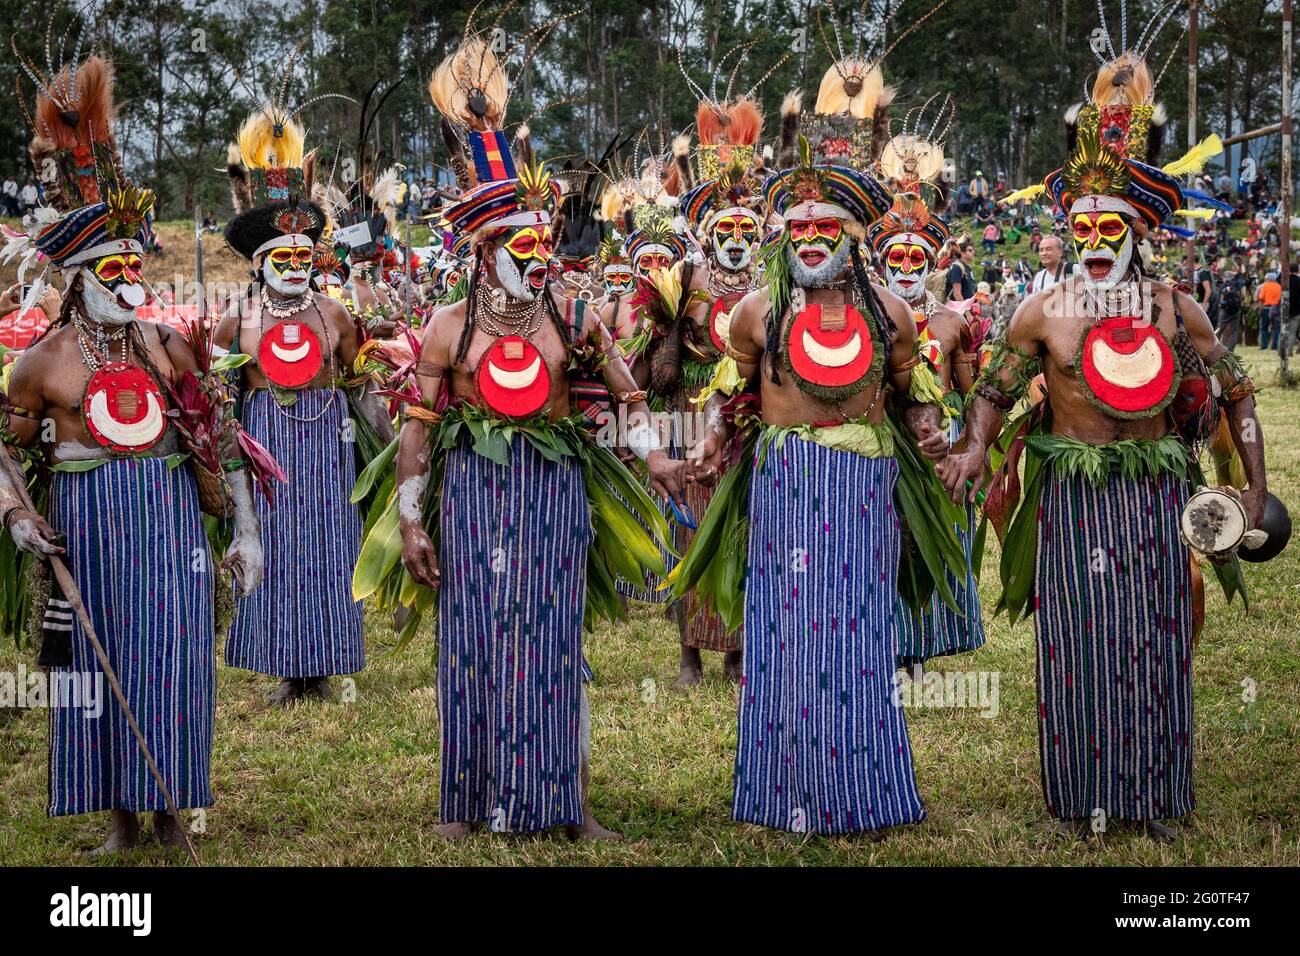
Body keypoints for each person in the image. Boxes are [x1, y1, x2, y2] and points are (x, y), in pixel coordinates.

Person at [939, 26, 1266, 841]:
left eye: (1106, 230)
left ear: (1138, 231)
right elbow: (995, 390)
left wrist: (1255, 488)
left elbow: (1234, 391)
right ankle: (1079, 796)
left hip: (1152, 493)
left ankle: (1154, 797)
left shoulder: (1172, 307)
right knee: (1077, 639)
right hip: (1073, 494)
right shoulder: (1041, 310)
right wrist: (977, 444)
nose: (1089, 244)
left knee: (1153, 639)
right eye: (1078, 231)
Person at [391, 36, 685, 840]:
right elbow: (418, 432)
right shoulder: (448, 328)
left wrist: (655, 450)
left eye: (545, 241)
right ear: (486, 248)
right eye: (525, 244)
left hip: (554, 495)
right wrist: (413, 519)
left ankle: (571, 803)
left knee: (553, 640)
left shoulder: (574, 316)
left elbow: (627, 396)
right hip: (476, 496)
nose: (543, 254)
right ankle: (464, 802)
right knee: (474, 640)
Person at [0, 51, 264, 854]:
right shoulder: (40, 364)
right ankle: (119, 819)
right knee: (98, 661)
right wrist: (16, 515)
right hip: (88, 522)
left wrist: (246, 530)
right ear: (76, 275)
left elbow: (219, 437)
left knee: (176, 660)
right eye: (113, 265)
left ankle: (174, 813)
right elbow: (5, 453)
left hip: (169, 520)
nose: (132, 276)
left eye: (135, 260)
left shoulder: (165, 346)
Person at [681, 92, 956, 836]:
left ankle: (864, 789)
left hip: (866, 486)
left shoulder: (890, 314)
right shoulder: (754, 313)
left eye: (823, 227)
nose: (807, 237)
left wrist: (932, 433)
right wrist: (711, 440)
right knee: (785, 634)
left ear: (853, 234)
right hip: (783, 488)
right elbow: (727, 392)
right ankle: (780, 790)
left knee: (860, 634)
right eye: (797, 226)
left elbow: (913, 395)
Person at [216, 93, 392, 705]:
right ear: (260, 264)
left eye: (302, 255)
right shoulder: (235, 321)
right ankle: (283, 666)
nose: (294, 265)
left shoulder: (337, 314)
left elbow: (362, 384)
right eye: (281, 257)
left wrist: (389, 449)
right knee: (277, 546)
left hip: (327, 438)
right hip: (265, 446)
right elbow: (221, 401)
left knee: (328, 547)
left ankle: (324, 662)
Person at [870, 125, 985, 676]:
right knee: (886, 535)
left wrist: (971, 448)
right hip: (887, 437)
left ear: (933, 262)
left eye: (918, 261)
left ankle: (922, 644)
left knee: (929, 534)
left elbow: (969, 390)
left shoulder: (951, 320)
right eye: (898, 258)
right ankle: (884, 642)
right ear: (881, 259)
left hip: (940, 441)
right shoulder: (869, 315)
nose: (908, 270)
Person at [1217, 267, 1244, 351]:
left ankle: (1215, 348)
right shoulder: (1236, 285)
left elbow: (1219, 298)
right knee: (1234, 331)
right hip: (1236, 311)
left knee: (1219, 329)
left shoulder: (1222, 286)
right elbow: (1242, 295)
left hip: (1224, 311)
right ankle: (1230, 350)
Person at [1256, 271, 1282, 351]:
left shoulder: (1265, 286)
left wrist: (1259, 309)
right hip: (1276, 309)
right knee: (1276, 328)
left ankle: (1264, 346)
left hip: (1266, 309)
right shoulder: (1279, 287)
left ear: (1269, 279)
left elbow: (1261, 299)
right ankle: (1275, 347)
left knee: (1264, 328)